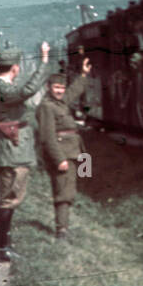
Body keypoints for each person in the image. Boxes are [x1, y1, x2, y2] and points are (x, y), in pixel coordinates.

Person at [0, 43, 50, 262]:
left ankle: (5, 246)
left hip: (5, 149)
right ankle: (1, 249)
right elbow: (28, 90)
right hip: (11, 152)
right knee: (9, 199)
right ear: (15, 68)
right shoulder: (3, 90)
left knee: (9, 198)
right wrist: (44, 61)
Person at [36, 56, 93, 238]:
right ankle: (62, 230)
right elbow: (47, 137)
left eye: (62, 88)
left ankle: (64, 226)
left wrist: (84, 75)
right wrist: (59, 159)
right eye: (56, 88)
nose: (60, 91)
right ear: (48, 88)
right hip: (62, 155)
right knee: (63, 192)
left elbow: (73, 92)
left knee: (68, 188)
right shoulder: (47, 107)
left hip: (72, 152)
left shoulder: (59, 103)